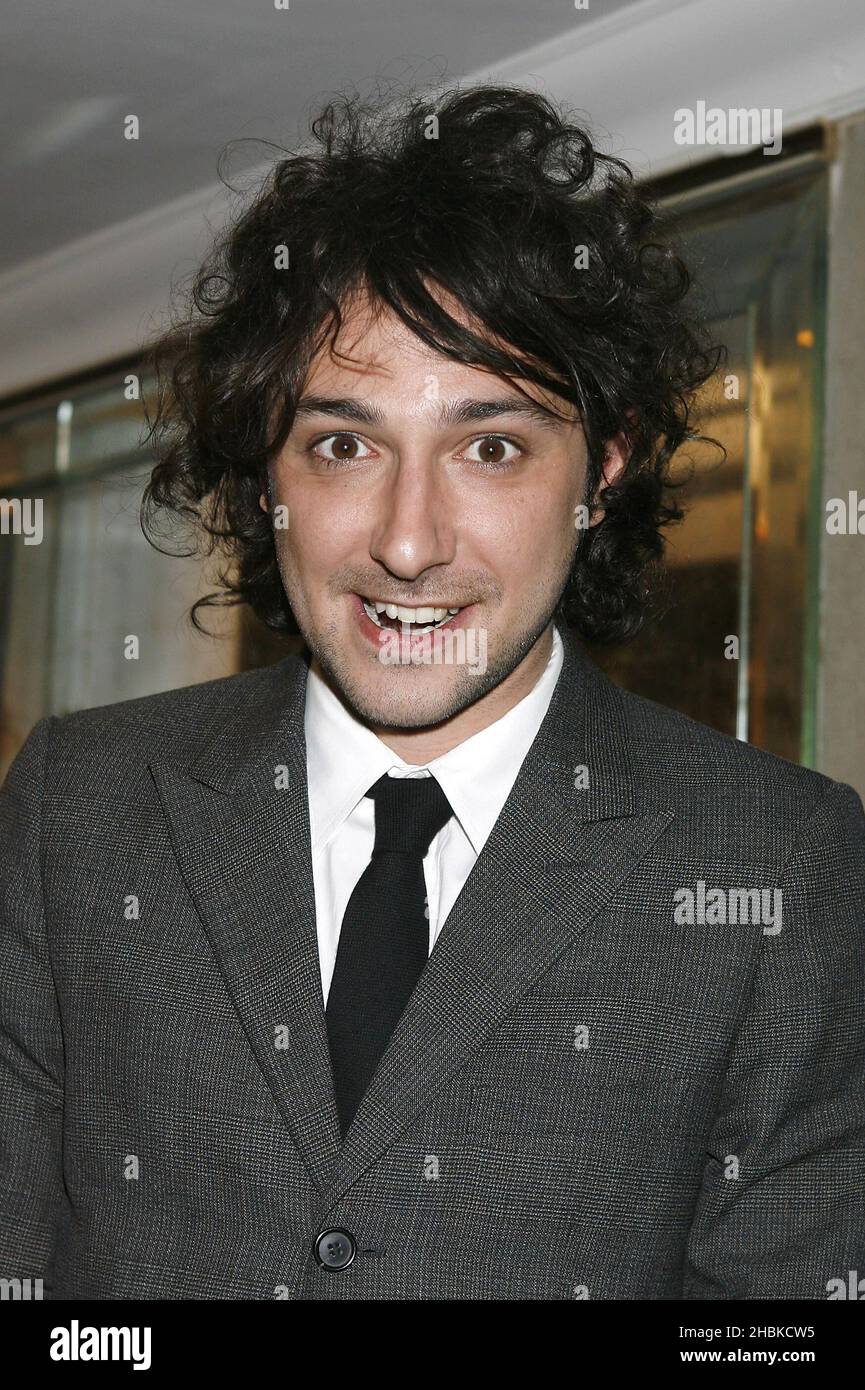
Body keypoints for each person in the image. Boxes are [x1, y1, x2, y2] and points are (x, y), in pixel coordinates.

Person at [1, 84, 863, 1301]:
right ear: (266, 476)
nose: (408, 542)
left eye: (491, 446)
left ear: (603, 466)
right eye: (343, 444)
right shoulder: (75, 806)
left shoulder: (785, 861)